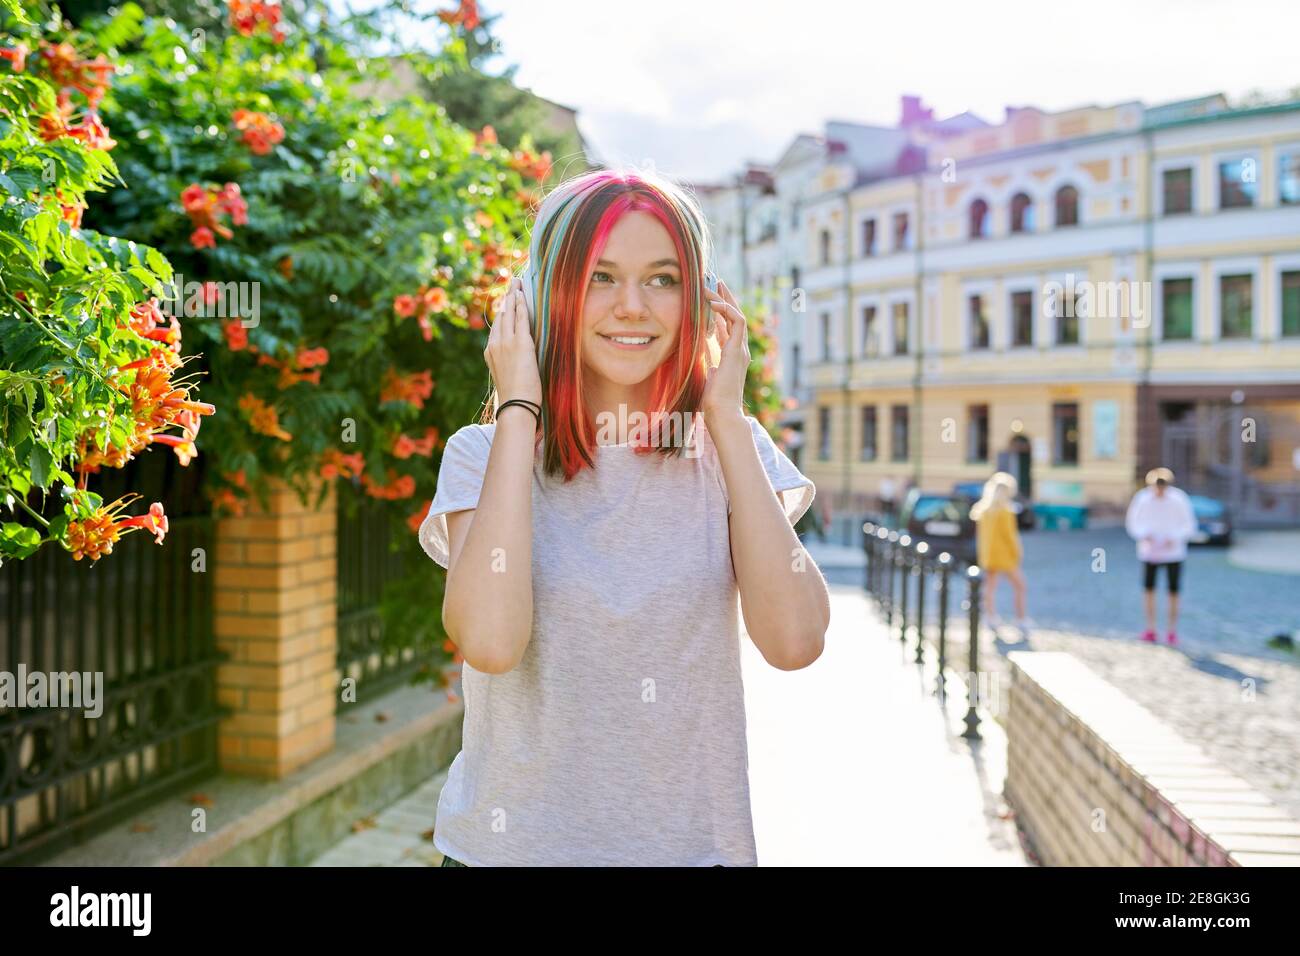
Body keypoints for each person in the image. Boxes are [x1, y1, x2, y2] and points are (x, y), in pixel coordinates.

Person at [418, 167, 828, 866]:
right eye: (600, 277)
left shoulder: (732, 452)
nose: (633, 306)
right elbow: (490, 642)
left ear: (698, 301)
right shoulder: (482, 456)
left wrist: (726, 418)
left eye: (662, 279)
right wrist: (520, 404)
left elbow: (794, 642)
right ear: (543, 296)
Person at [1124, 467, 1197, 645]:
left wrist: (1175, 538)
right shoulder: (1142, 498)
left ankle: (1171, 631)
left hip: (1173, 553)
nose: (1159, 492)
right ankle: (1151, 628)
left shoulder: (1179, 499)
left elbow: (1189, 525)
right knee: (1149, 590)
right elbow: (1132, 523)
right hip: (1150, 553)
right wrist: (1144, 534)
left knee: (1173, 591)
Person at [970, 472, 1029, 640]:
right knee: (1020, 586)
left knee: (990, 588)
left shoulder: (984, 510)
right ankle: (1021, 619)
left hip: (989, 556)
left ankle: (991, 617)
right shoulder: (1005, 511)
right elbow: (1010, 536)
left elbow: (982, 537)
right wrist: (1017, 552)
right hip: (1004, 556)